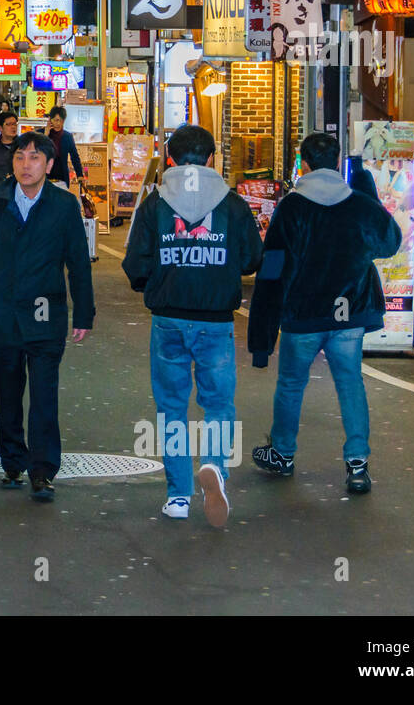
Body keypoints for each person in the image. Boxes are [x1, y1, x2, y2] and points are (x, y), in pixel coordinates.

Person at [122, 124, 263, 527]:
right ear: (211, 158)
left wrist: (158, 282)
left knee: (171, 408)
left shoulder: (154, 203)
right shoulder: (233, 204)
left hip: (168, 319)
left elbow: (135, 264)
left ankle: (178, 496)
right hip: (217, 322)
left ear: (170, 158)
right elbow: (253, 258)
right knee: (217, 403)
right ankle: (215, 465)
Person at [247, 133, 402, 495]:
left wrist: (261, 339)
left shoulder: (292, 208)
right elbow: (390, 241)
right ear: (337, 163)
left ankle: (283, 453)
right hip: (349, 315)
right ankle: (358, 464)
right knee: (350, 384)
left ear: (303, 163)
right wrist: (368, 190)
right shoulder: (359, 204)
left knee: (291, 383)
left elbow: (271, 271)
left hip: (303, 315)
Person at [0, 132, 95, 502]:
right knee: (7, 391)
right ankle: (11, 460)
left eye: (34, 158)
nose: (25, 164)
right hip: (2, 310)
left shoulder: (63, 205)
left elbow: (78, 263)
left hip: (45, 311)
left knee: (43, 393)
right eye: (20, 157)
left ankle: (42, 469)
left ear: (50, 165)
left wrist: (83, 313)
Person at [44, 106, 84, 191]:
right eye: (56, 120)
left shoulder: (67, 136)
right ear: (50, 120)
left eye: (61, 121)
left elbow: (75, 157)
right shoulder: (41, 134)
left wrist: (80, 175)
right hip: (44, 180)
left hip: (62, 179)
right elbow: (36, 152)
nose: (58, 123)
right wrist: (45, 135)